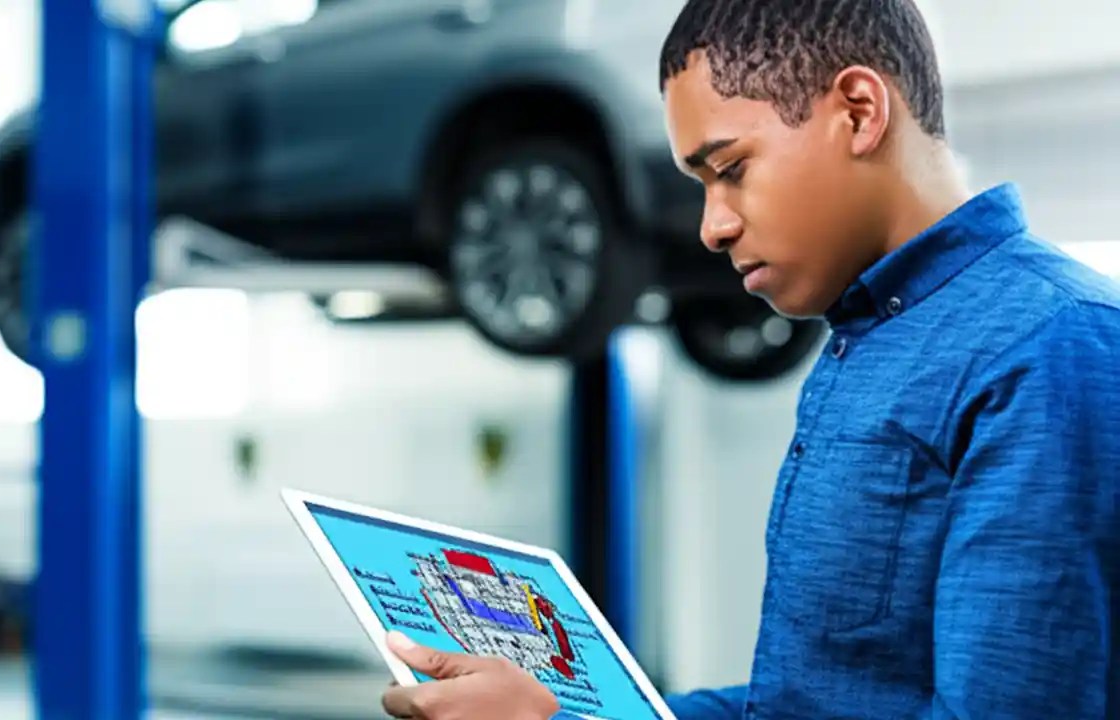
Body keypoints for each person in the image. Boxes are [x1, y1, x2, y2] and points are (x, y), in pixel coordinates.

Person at [379, 0, 1120, 717]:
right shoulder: (867, 345)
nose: (712, 227)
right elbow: (805, 705)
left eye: (729, 169)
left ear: (859, 111)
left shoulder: (1050, 346)